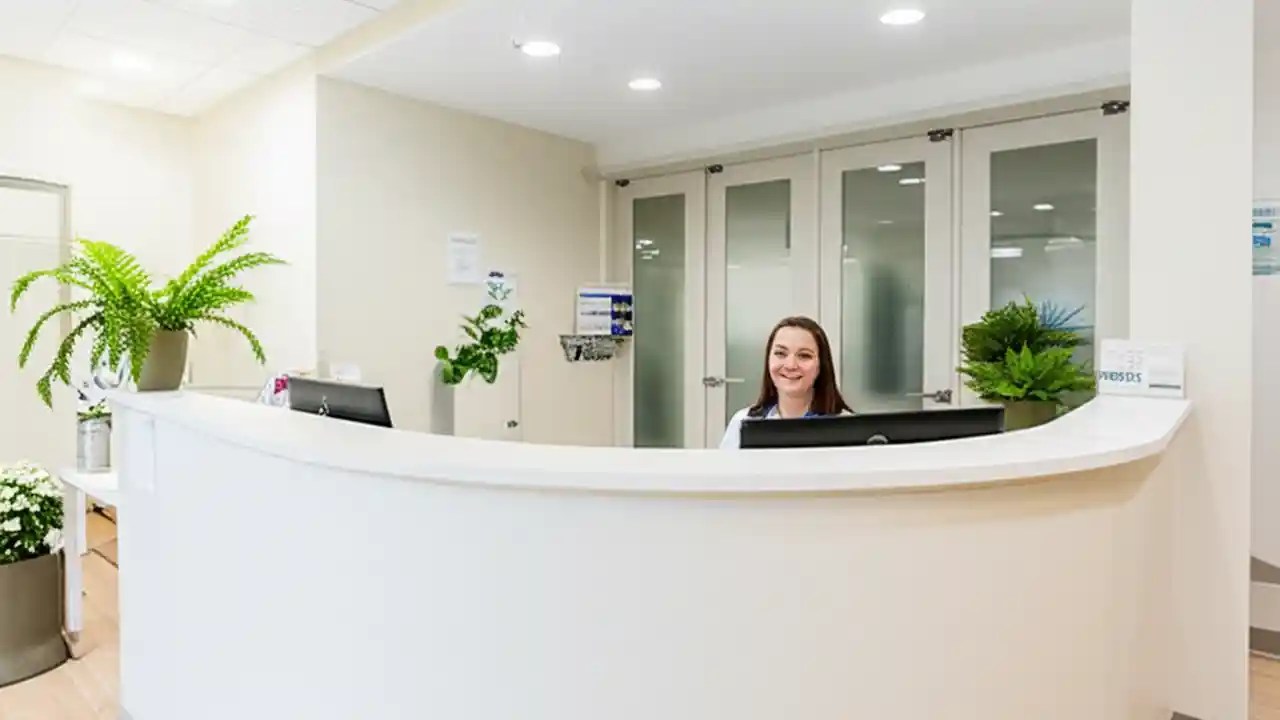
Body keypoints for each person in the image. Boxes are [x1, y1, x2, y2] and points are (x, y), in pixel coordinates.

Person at [720, 316, 853, 449]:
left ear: (821, 365)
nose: (790, 365)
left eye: (804, 355)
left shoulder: (847, 426)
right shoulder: (743, 422)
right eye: (780, 353)